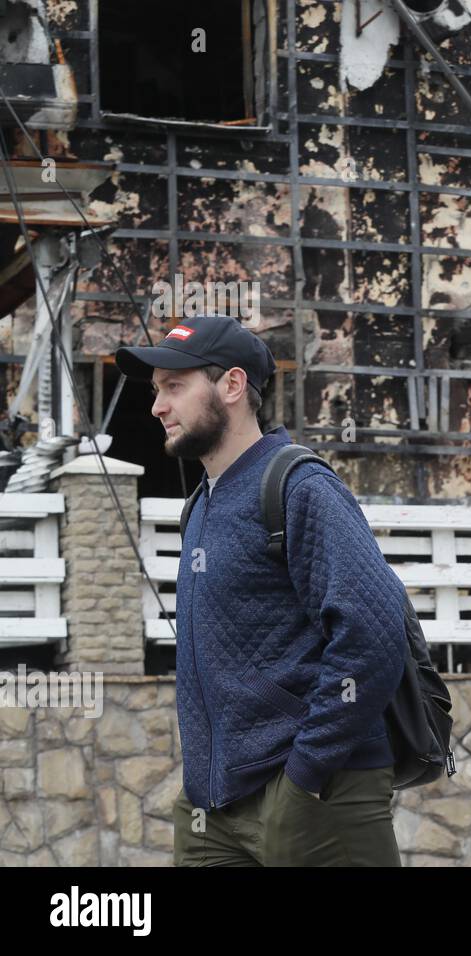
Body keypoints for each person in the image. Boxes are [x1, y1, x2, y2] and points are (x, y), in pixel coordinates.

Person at [115, 314, 408, 866]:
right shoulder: (202, 502)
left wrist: (306, 772)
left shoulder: (300, 486)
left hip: (314, 792)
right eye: (156, 391)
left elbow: (373, 635)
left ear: (231, 386)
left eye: (174, 387)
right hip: (211, 802)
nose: (157, 407)